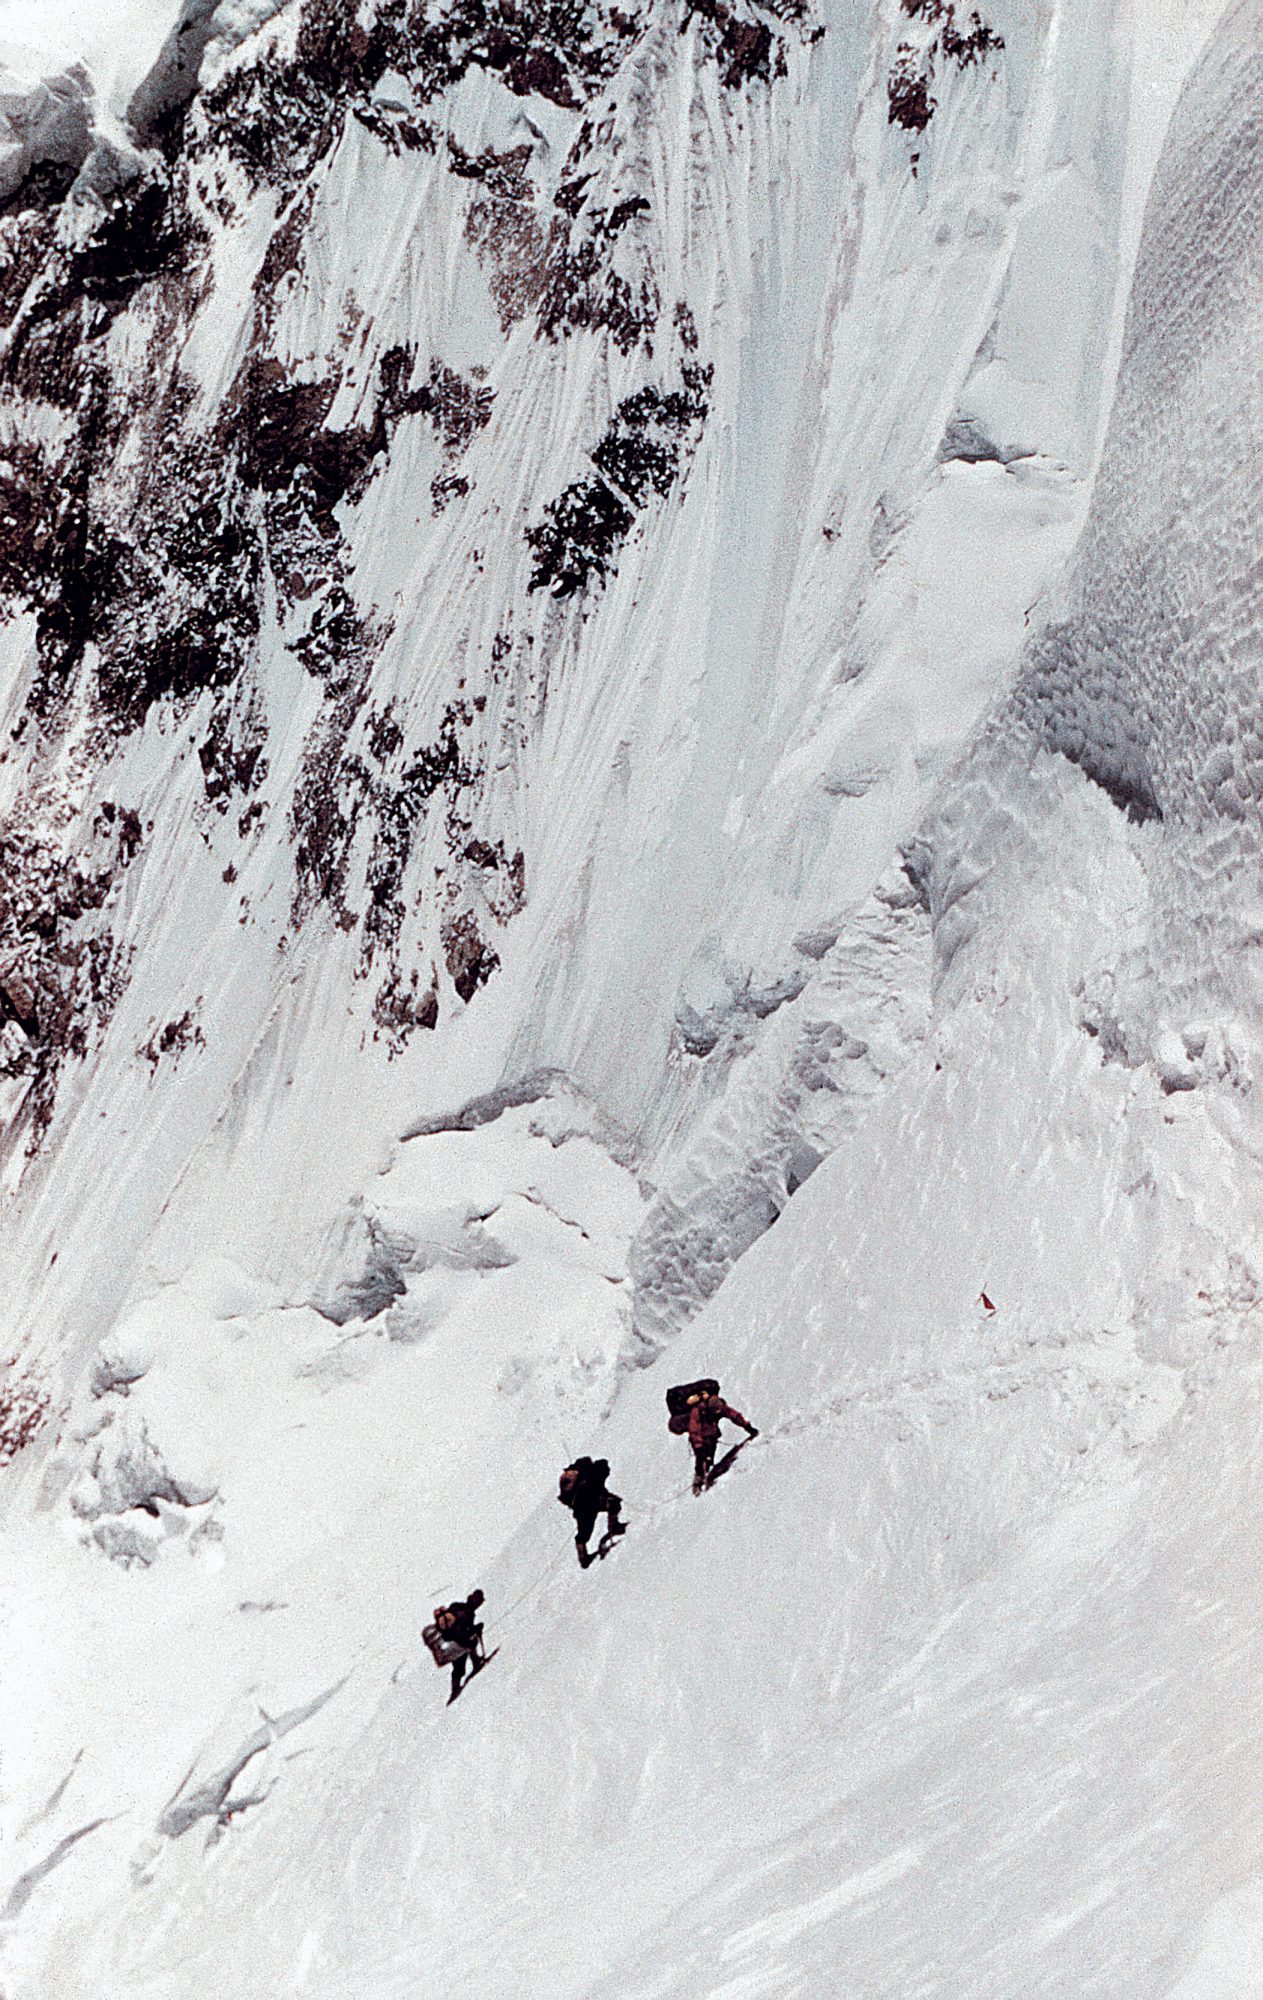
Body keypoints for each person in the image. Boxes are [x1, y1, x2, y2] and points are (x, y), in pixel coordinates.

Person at [558, 1456, 626, 1567]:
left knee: (585, 1530)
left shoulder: (588, 1475)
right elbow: (596, 1492)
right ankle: (583, 1556)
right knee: (585, 1531)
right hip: (585, 1506)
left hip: (583, 1505)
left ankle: (583, 1555)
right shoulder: (593, 1477)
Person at [686, 1389, 757, 1493]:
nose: (718, 1413)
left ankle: (708, 1474)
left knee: (710, 1456)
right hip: (700, 1439)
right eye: (715, 1412)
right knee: (701, 1457)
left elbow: (734, 1415)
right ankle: (698, 1478)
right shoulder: (697, 1411)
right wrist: (698, 1445)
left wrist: (747, 1426)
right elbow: (694, 1430)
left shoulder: (719, 1406)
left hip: (712, 1436)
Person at [436, 1589, 486, 1702]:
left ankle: (475, 1661)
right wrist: (475, 1629)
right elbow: (462, 1632)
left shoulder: (460, 1607)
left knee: (470, 1644)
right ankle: (455, 1688)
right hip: (457, 1643)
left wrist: (474, 1629)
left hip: (455, 1642)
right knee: (460, 1666)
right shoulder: (465, 1612)